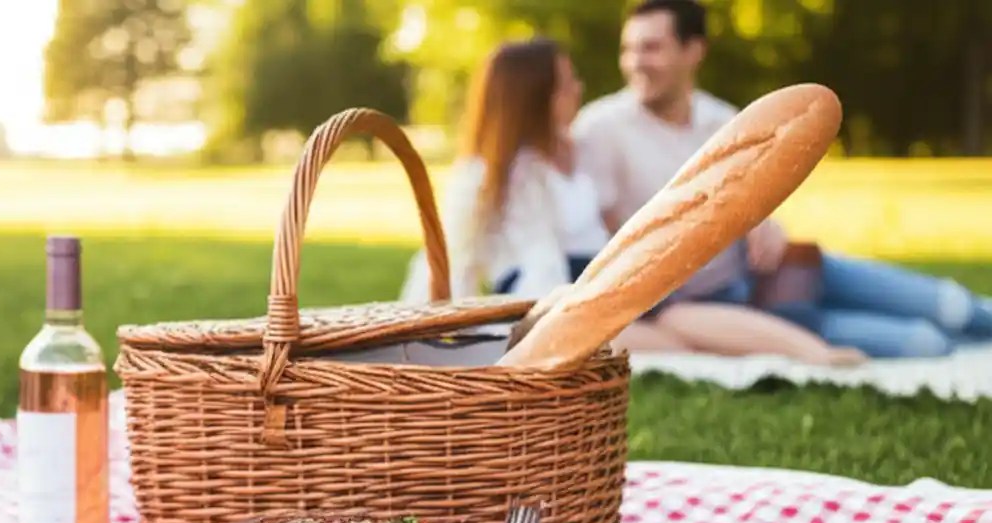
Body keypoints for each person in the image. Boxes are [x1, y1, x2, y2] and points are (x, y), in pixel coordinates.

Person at [399, 38, 865, 364]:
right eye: (565, 84)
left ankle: (810, 351)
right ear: (534, 97)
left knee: (678, 318)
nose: (578, 89)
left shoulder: (574, 150)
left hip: (599, 276)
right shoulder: (486, 176)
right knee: (679, 334)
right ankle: (810, 352)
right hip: (548, 300)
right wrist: (420, 337)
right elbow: (445, 261)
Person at [572, 0, 992, 358]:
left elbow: (753, 201)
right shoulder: (600, 129)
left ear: (693, 50)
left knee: (953, 305)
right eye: (628, 50)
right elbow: (615, 250)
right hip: (730, 306)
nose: (635, 63)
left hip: (780, 268)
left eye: (651, 48)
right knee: (925, 343)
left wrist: (763, 225)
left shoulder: (724, 120)